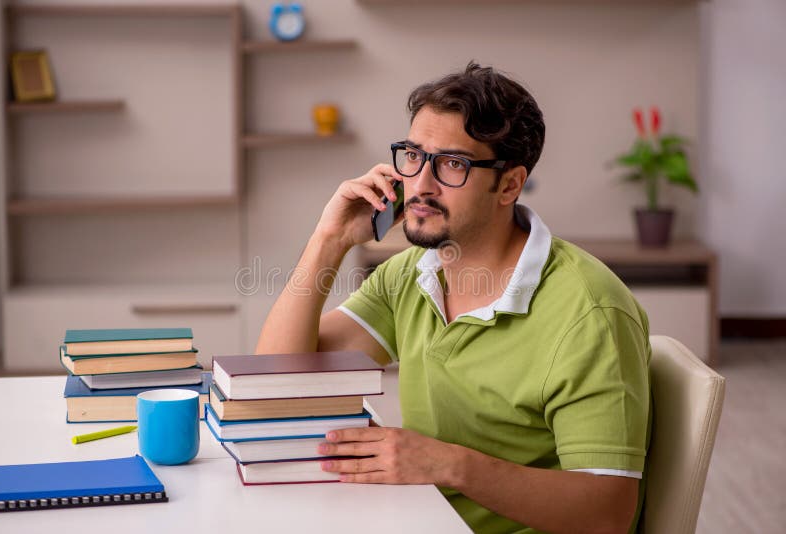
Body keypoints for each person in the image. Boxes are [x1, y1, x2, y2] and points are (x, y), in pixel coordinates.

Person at [256, 62, 651, 534]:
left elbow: (607, 514)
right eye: (413, 156)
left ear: (509, 184)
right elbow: (276, 382)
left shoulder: (589, 312)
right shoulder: (410, 274)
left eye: (452, 164)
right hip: (413, 519)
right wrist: (330, 238)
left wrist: (448, 465)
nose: (421, 184)